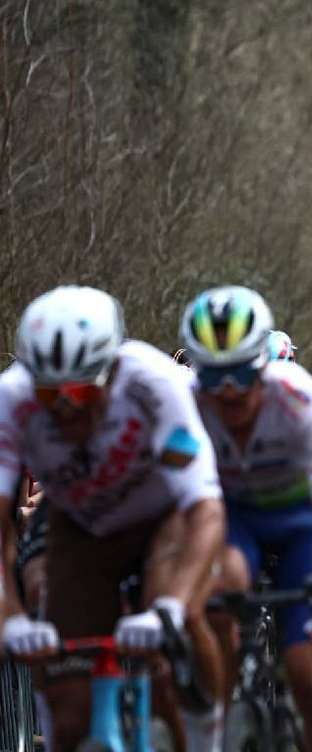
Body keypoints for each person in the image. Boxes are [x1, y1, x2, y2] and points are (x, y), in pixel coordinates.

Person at [0, 286, 226, 751]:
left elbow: (203, 508)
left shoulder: (157, 383)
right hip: (81, 522)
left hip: (162, 517)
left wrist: (172, 607)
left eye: (81, 390)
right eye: (50, 393)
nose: (66, 407)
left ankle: (207, 729)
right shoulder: (12, 397)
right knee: (67, 698)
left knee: (175, 619)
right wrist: (12, 618)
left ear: (113, 370)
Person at [181, 285, 312, 751]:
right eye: (214, 377)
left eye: (241, 373)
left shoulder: (302, 400)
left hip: (305, 525)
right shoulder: (185, 404)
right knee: (221, 587)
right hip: (234, 520)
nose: (229, 391)